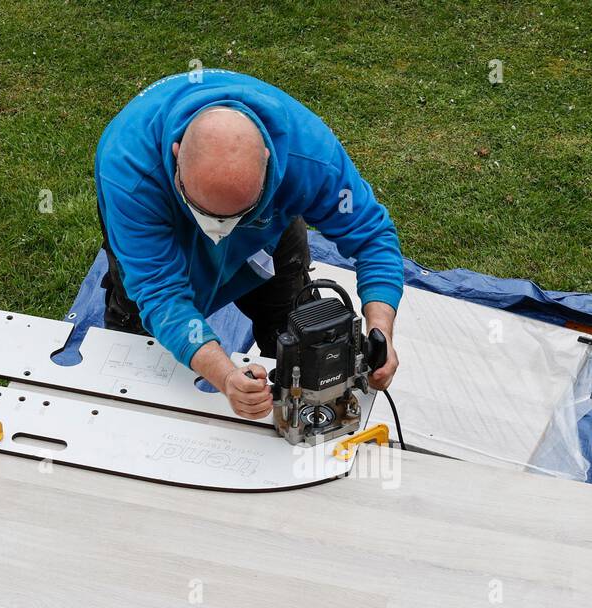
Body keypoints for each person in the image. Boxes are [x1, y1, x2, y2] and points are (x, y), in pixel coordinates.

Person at [94, 69, 404, 420]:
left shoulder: (310, 157)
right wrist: (225, 376)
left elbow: (372, 237)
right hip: (158, 211)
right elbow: (160, 292)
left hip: (268, 235)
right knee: (138, 348)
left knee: (292, 323)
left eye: (236, 216)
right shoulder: (130, 172)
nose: (219, 232)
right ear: (176, 156)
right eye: (206, 214)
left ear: (269, 164)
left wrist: (380, 330)